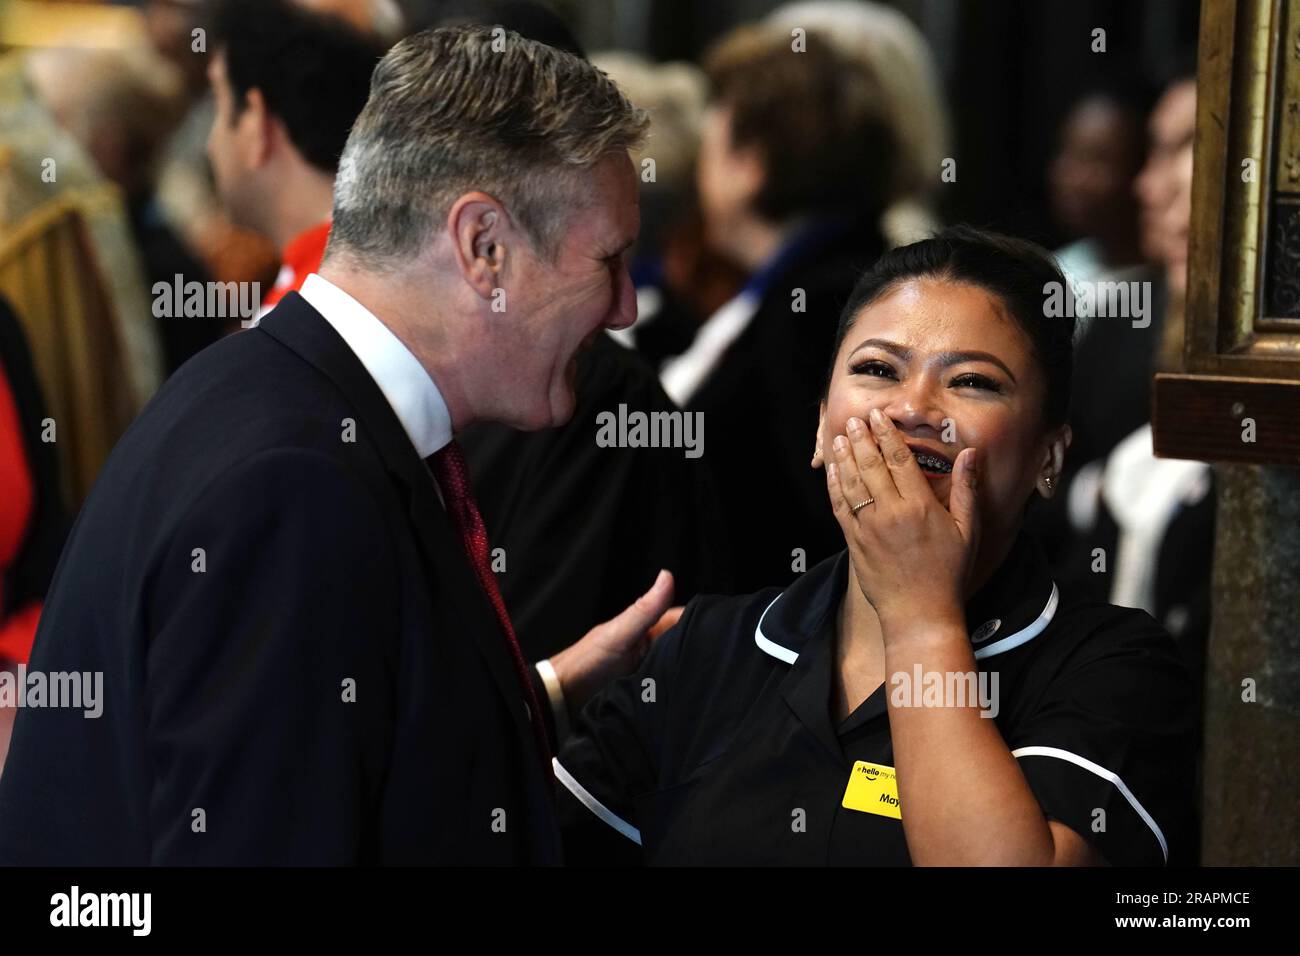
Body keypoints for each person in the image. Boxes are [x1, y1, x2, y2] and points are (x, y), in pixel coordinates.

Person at [0, 25, 667, 865]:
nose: (624, 309)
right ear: (483, 247)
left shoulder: (284, 401)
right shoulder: (294, 488)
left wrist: (549, 694)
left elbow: (357, 751)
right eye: (609, 261)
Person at [555, 228, 1197, 866]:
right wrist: (548, 689)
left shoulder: (1113, 670)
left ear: (1048, 458)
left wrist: (920, 615)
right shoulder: (708, 646)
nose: (914, 407)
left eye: (973, 381)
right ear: (819, 425)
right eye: (877, 369)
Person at [658, 24, 898, 593]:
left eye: (711, 147)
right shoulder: (802, 283)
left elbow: (832, 513)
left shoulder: (823, 301)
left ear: (751, 161)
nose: (700, 174)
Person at [205, 0, 387, 314]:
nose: (210, 143)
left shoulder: (293, 323)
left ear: (255, 124)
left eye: (218, 105)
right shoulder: (402, 268)